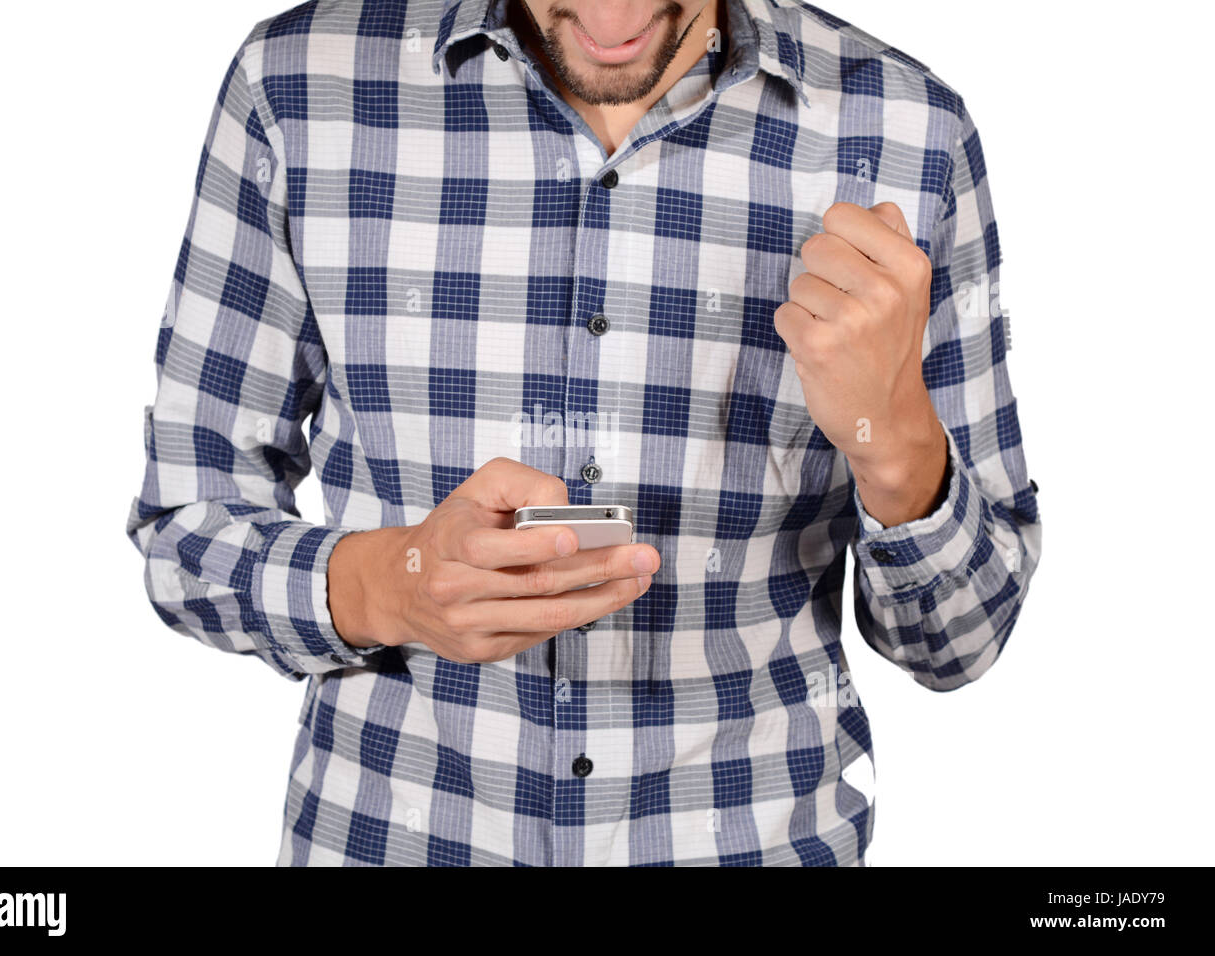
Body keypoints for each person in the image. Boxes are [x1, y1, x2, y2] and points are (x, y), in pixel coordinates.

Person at [125, 0, 1041, 866]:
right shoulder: (297, 89)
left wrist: (894, 439)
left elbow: (960, 641)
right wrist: (395, 585)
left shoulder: (907, 132)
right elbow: (186, 530)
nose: (611, 21)